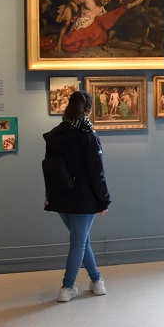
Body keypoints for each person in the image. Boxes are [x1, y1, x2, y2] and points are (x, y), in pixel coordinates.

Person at [43, 91, 112, 303]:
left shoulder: (56, 134)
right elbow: (96, 173)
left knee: (82, 240)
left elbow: (50, 168)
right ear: (88, 110)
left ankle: (97, 280)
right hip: (83, 199)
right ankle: (67, 287)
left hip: (60, 196)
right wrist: (104, 200)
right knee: (78, 242)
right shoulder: (89, 136)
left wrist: (49, 195)